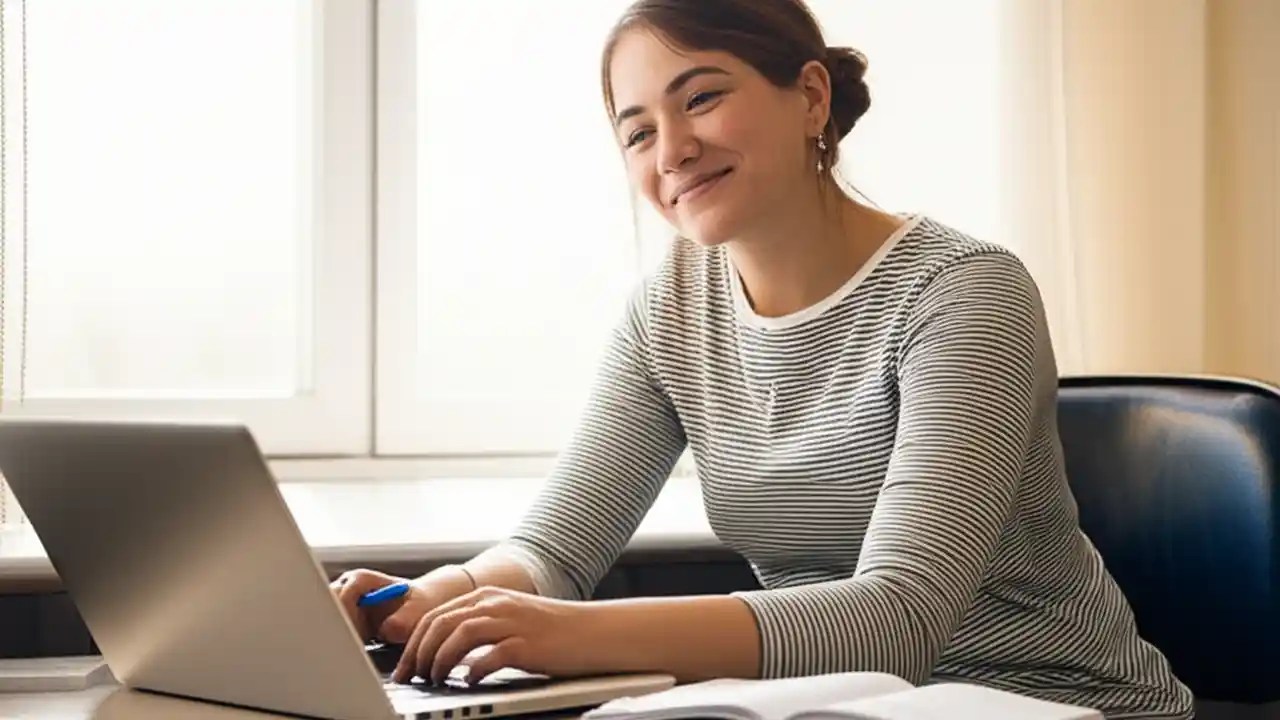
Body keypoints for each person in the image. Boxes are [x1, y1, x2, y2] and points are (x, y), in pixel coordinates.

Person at [331, 1, 1195, 717]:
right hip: (837, 704)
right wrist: (442, 596)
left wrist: (562, 632)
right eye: (637, 133)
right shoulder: (668, 308)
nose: (671, 150)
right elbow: (555, 548)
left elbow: (898, 616)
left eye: (701, 98)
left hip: (1056, 702)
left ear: (810, 97)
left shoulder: (964, 293)